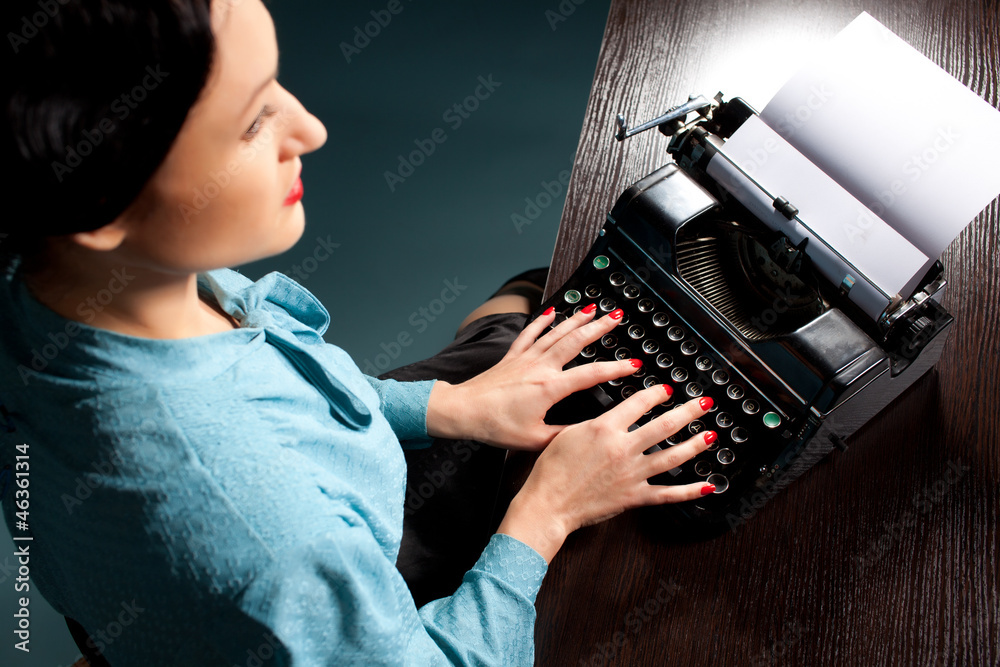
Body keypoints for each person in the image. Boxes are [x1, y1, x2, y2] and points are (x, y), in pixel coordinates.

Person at [0, 1, 717, 664]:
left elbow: (275, 379)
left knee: (529, 311)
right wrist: (545, 512)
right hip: (329, 597)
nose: (310, 128)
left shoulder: (57, 282)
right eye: (252, 122)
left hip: (249, 566)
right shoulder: (260, 527)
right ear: (102, 204)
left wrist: (455, 406)